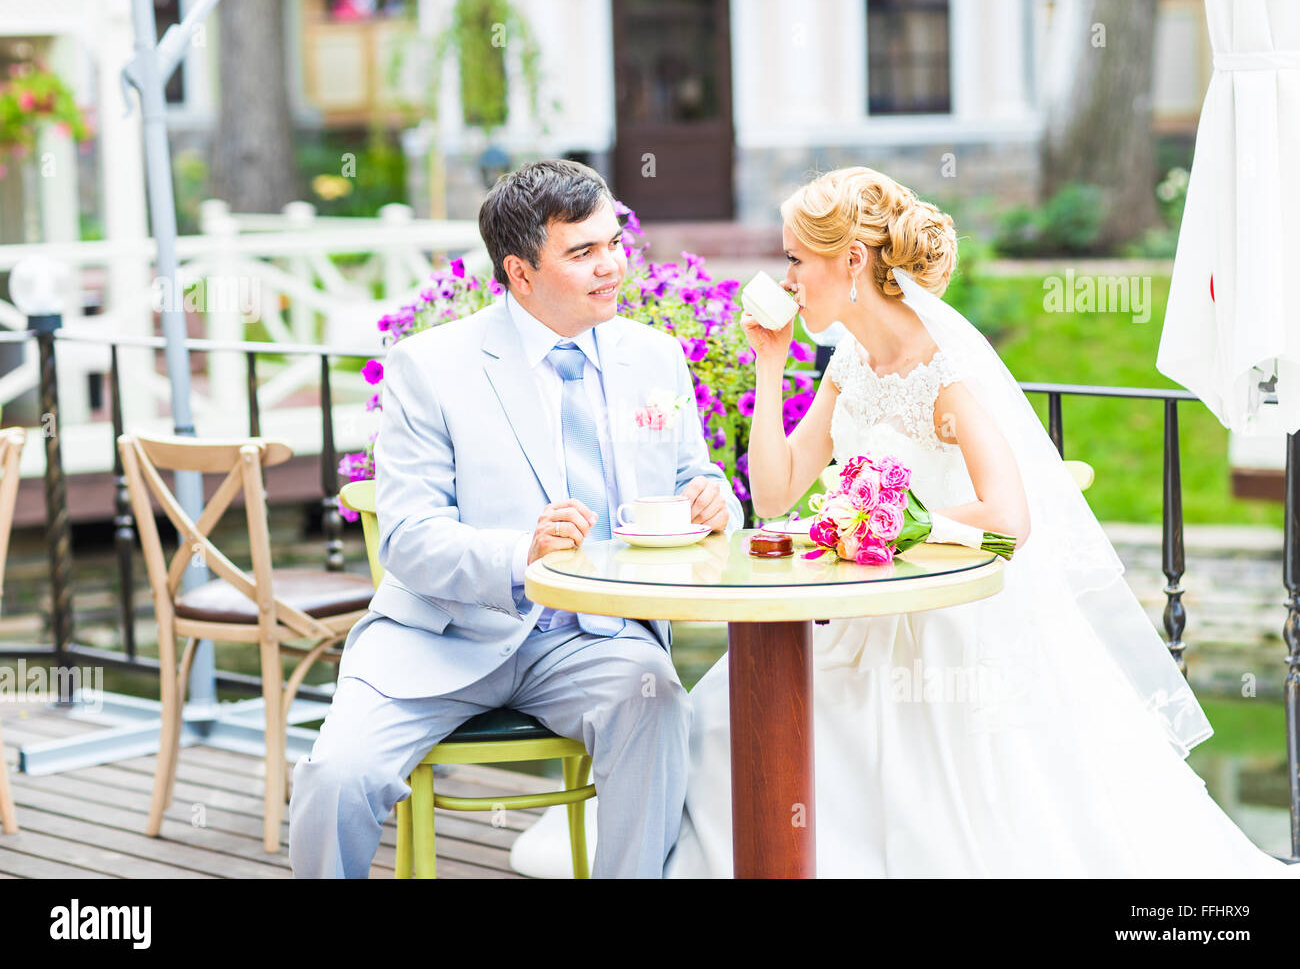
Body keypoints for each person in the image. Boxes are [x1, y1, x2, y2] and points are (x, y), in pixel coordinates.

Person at [664, 166, 1299, 877]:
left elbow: (1009, 515)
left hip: (946, 625)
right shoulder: (850, 360)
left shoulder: (947, 370)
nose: (784, 278)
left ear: (849, 261)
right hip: (857, 618)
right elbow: (776, 494)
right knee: (723, 716)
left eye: (793, 259)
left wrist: (885, 524)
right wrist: (770, 366)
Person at [288, 159, 743, 878]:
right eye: (583, 252)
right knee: (336, 776)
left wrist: (718, 497)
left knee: (657, 705)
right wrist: (521, 553)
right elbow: (408, 538)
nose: (611, 267)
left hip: (590, 641)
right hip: (439, 637)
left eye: (613, 242)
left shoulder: (654, 358)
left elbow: (693, 475)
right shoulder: (429, 366)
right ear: (520, 272)